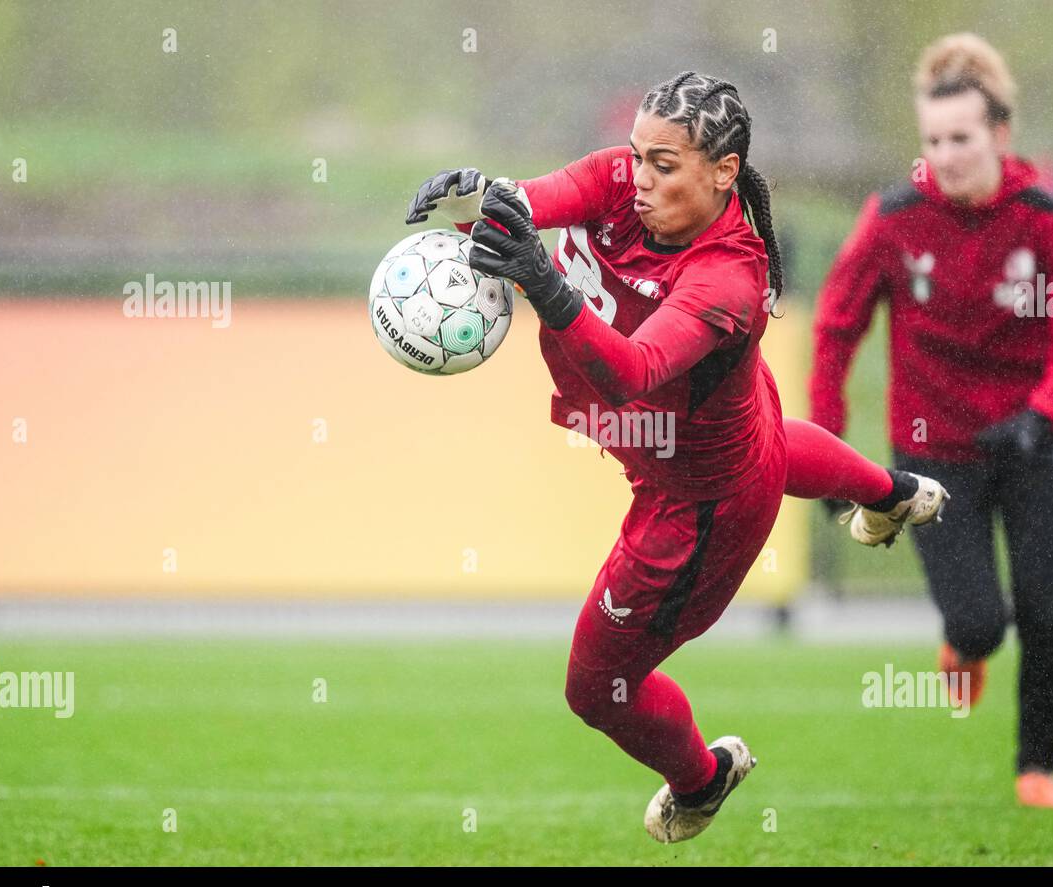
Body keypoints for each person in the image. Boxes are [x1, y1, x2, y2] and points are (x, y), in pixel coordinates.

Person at [406, 71, 947, 843]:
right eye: (638, 156)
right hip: (703, 432)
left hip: (698, 507)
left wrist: (543, 279)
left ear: (723, 173)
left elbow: (629, 373)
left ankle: (703, 779)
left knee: (596, 688)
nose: (640, 179)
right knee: (766, 436)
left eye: (665, 166)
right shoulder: (620, 178)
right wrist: (492, 196)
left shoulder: (729, 277)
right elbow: (544, 197)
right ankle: (890, 492)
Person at [809, 35, 1053, 808]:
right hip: (935, 454)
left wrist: (1042, 416)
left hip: (1034, 443)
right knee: (980, 624)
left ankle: (1038, 771)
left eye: (962, 139)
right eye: (933, 140)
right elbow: (836, 327)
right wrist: (830, 447)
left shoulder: (1045, 220)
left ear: (999, 136)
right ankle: (966, 646)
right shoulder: (894, 218)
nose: (946, 155)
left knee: (1046, 609)